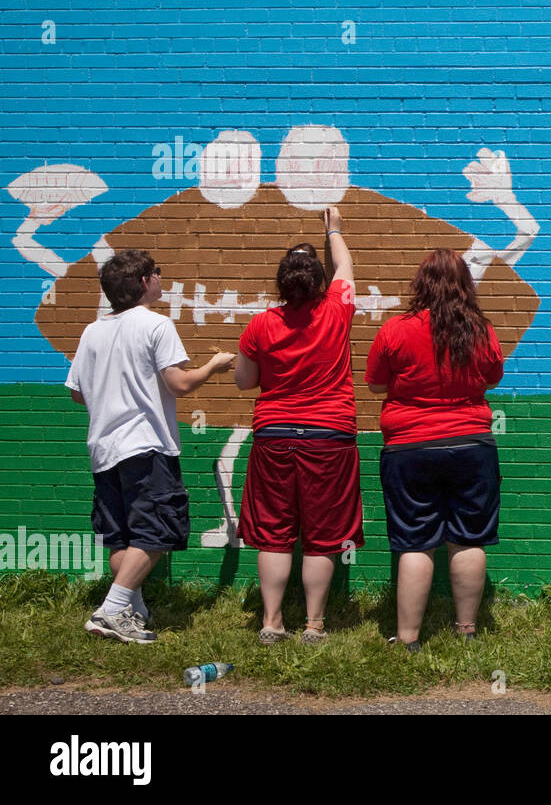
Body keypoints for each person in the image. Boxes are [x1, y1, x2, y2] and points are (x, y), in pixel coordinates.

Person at [67, 250, 235, 643]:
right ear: (143, 282)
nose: (161, 279)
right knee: (158, 531)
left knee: (122, 535)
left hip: (104, 448)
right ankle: (111, 610)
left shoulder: (93, 330)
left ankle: (132, 610)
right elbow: (179, 384)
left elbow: (78, 394)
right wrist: (215, 366)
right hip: (146, 444)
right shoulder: (156, 325)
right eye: (157, 273)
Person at [234, 207, 363, 645]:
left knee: (273, 532)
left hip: (274, 436)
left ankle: (271, 623)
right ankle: (314, 624)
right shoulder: (336, 309)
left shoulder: (259, 324)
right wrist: (333, 229)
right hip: (330, 435)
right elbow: (345, 265)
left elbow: (245, 381)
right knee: (323, 535)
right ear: (319, 283)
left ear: (281, 284)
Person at [365, 247, 504, 652]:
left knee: (414, 541)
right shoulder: (481, 330)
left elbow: (375, 384)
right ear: (465, 285)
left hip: (409, 447)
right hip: (471, 444)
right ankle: (466, 631)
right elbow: (492, 378)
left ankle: (408, 638)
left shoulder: (395, 329)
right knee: (468, 539)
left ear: (420, 283)